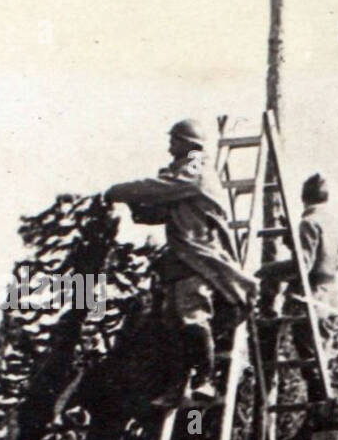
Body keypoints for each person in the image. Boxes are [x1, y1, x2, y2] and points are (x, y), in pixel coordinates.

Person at [105, 119, 256, 407]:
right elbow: (158, 210)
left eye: (174, 140)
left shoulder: (195, 170)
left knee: (192, 317)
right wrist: (132, 204)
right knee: (173, 324)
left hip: (199, 259)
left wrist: (118, 191)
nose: (169, 146)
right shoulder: (183, 176)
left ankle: (205, 381)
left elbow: (159, 189)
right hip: (181, 259)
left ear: (189, 143)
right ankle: (179, 387)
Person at [255, 173, 338, 395]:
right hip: (330, 297)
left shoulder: (309, 223)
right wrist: (291, 238)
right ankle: (321, 414)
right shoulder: (333, 224)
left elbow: (301, 267)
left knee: (310, 361)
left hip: (310, 298)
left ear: (303, 197)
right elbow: (326, 258)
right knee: (320, 359)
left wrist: (267, 271)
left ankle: (319, 413)